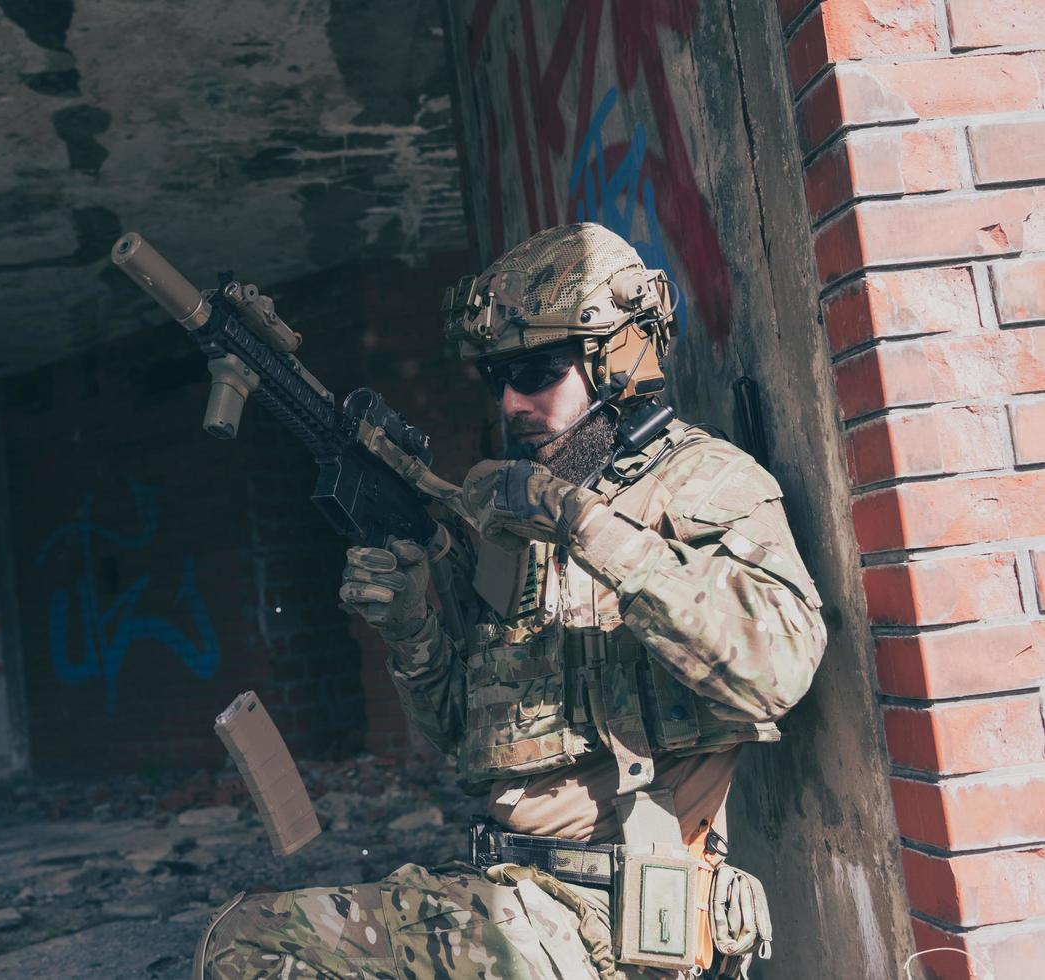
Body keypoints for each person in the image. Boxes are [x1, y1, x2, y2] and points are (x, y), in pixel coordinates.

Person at [196, 223, 825, 979]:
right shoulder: (514, 522)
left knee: (260, 947)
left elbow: (780, 666)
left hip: (619, 922)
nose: (510, 401)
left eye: (536, 371)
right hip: (513, 897)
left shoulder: (703, 483)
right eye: (495, 375)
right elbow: (466, 740)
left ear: (618, 360)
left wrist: (583, 524)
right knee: (244, 939)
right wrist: (412, 632)